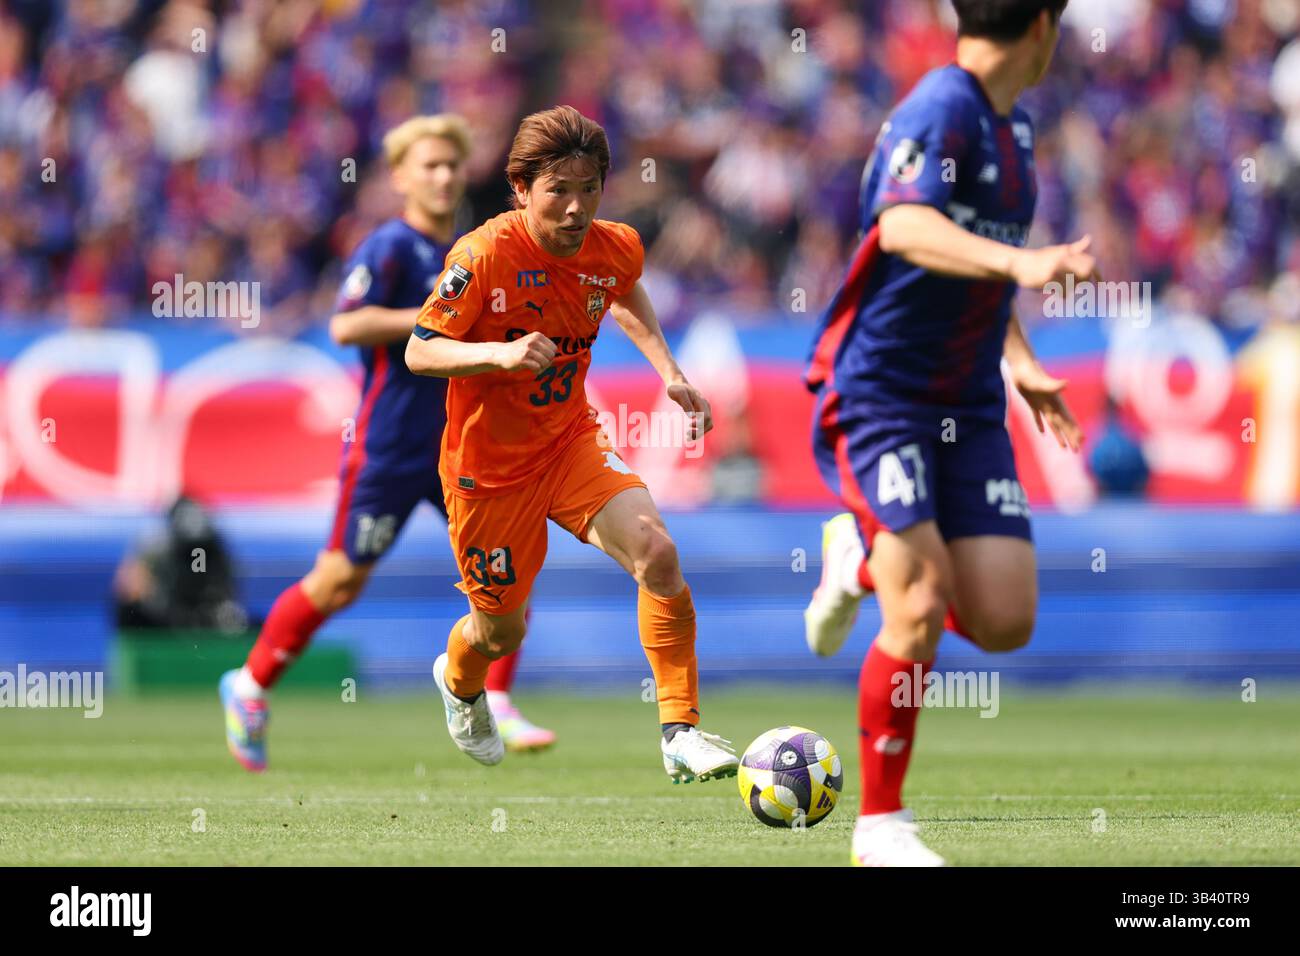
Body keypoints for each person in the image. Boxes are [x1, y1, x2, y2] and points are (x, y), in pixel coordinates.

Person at [803, 0, 1097, 865]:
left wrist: (1022, 360)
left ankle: (857, 559)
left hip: (968, 404)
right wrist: (1024, 263)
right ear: (1044, 26)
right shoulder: (943, 106)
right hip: (882, 391)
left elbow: (973, 265)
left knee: (1005, 619)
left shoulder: (1017, 131)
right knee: (921, 601)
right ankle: (879, 827)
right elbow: (904, 226)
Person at [405, 105, 740, 783]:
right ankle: (461, 683)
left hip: (569, 443)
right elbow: (419, 350)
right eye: (559, 190)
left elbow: (622, 292)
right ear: (522, 189)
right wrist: (496, 359)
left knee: (659, 553)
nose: (576, 207)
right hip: (487, 473)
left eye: (589, 189)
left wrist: (669, 371)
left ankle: (680, 730)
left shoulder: (613, 246)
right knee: (502, 633)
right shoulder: (483, 255)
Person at [220, 115, 554, 773]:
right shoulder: (390, 248)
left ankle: (498, 698)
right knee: (340, 580)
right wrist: (438, 319)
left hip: (465, 443)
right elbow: (347, 324)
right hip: (393, 447)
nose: (443, 176)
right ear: (401, 177)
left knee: (507, 566)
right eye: (428, 166)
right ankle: (250, 684)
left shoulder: (476, 248)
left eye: (452, 166)